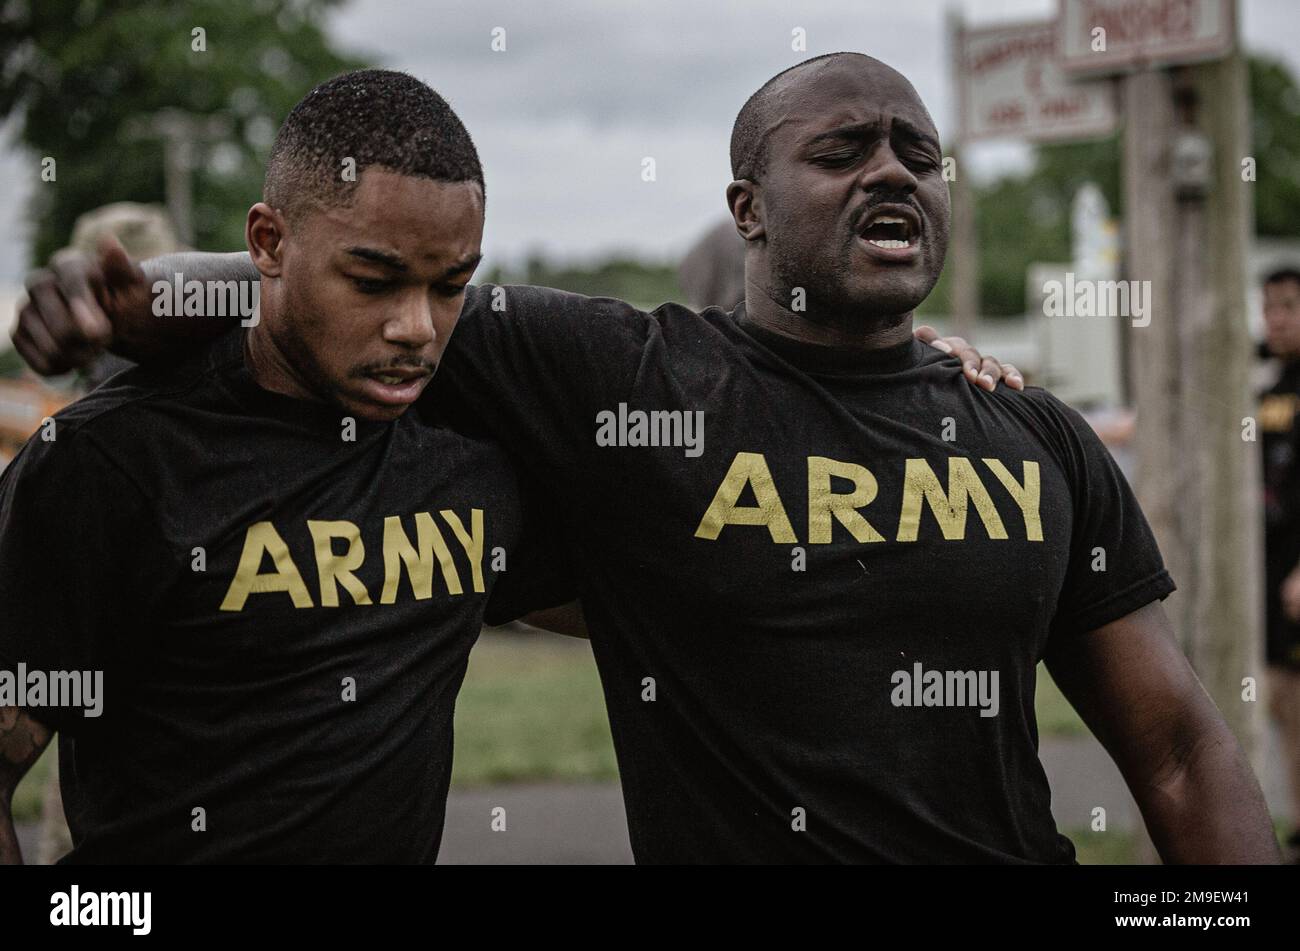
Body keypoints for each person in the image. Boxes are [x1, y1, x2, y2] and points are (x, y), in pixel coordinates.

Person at [18, 55, 1267, 864]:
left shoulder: (1029, 431)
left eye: (916, 153)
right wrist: (128, 307)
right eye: (841, 151)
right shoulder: (620, 377)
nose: (892, 168)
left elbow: (1172, 747)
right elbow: (322, 282)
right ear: (746, 208)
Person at [0, 71, 573, 863]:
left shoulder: (469, 455)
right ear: (267, 243)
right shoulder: (110, 462)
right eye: (371, 281)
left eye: (450, 287)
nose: (416, 328)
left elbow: (644, 605)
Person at [1259, 266, 1300, 861]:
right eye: (1269, 307)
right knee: (1282, 700)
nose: (1276, 319)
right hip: (1273, 573)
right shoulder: (1271, 384)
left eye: (1289, 306)